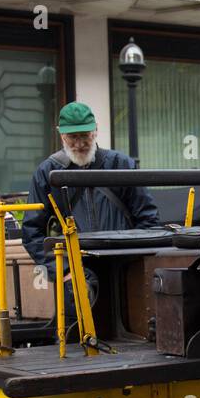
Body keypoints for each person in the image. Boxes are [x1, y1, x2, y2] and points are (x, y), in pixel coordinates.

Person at [22, 102, 160, 304]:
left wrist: (137, 263)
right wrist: (64, 271)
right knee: (76, 332)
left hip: (125, 268)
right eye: (73, 137)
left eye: (84, 135)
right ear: (62, 135)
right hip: (77, 273)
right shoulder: (46, 172)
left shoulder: (122, 164)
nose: (79, 143)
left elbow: (149, 221)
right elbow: (31, 231)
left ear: (95, 131)